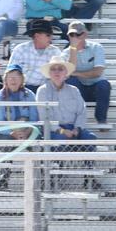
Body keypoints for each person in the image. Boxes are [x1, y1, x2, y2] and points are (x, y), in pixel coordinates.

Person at [36, 55, 99, 189]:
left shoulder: (74, 90)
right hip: (54, 130)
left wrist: (77, 128)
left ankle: (89, 177)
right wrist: (62, 131)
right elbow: (44, 117)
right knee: (59, 141)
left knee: (90, 139)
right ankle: (54, 178)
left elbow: (82, 112)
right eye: (53, 69)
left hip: (74, 128)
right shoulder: (42, 91)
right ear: (49, 73)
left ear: (66, 73)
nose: (57, 72)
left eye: (60, 69)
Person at [0, 64, 37, 190]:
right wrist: (12, 132)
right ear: (5, 79)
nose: (13, 80)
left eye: (16, 76)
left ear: (22, 79)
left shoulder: (30, 95)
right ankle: (3, 181)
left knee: (39, 145)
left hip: (26, 131)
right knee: (8, 145)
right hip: (3, 133)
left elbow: (34, 118)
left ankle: (40, 181)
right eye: (10, 77)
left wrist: (27, 132)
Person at [65, 20, 110, 126]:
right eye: (72, 34)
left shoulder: (96, 47)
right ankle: (75, 120)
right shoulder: (66, 52)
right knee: (71, 82)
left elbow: (98, 72)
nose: (75, 37)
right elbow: (68, 72)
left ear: (85, 34)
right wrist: (73, 49)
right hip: (78, 89)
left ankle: (101, 120)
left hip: (95, 89)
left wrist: (76, 73)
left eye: (78, 34)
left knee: (104, 85)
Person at [9, 18, 63, 93]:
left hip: (46, 90)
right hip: (22, 89)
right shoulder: (20, 49)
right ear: (37, 36)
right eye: (48, 35)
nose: (51, 38)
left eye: (51, 35)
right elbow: (11, 72)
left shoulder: (55, 51)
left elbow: (61, 73)